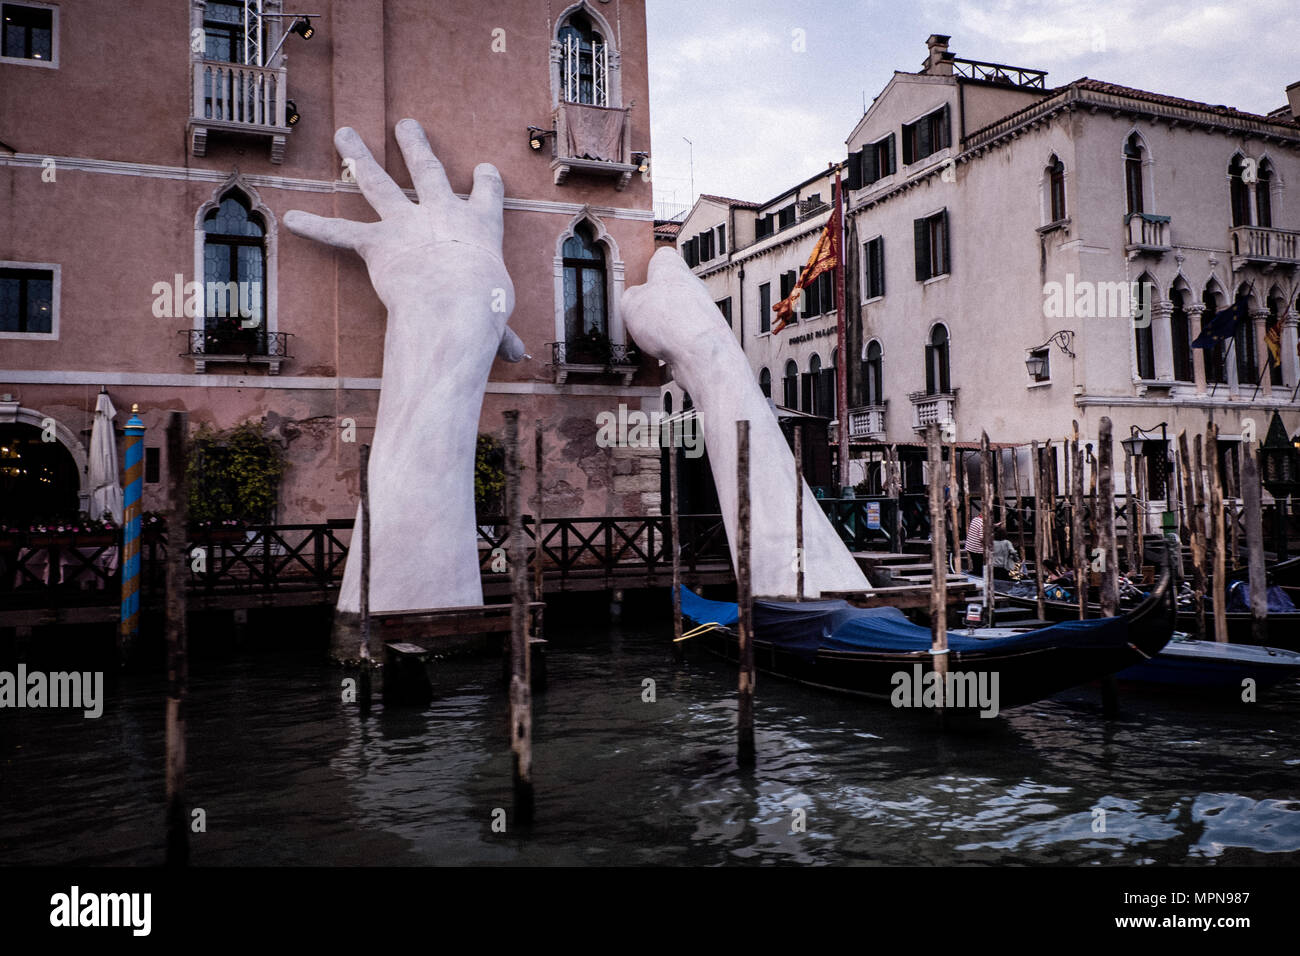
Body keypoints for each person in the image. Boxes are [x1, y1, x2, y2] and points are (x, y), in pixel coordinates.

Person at [965, 509, 985, 575]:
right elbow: (982, 538)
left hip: (970, 546)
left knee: (975, 562)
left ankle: (975, 572)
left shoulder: (975, 519)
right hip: (976, 548)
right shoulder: (982, 523)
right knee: (979, 564)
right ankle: (978, 575)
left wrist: (994, 525)